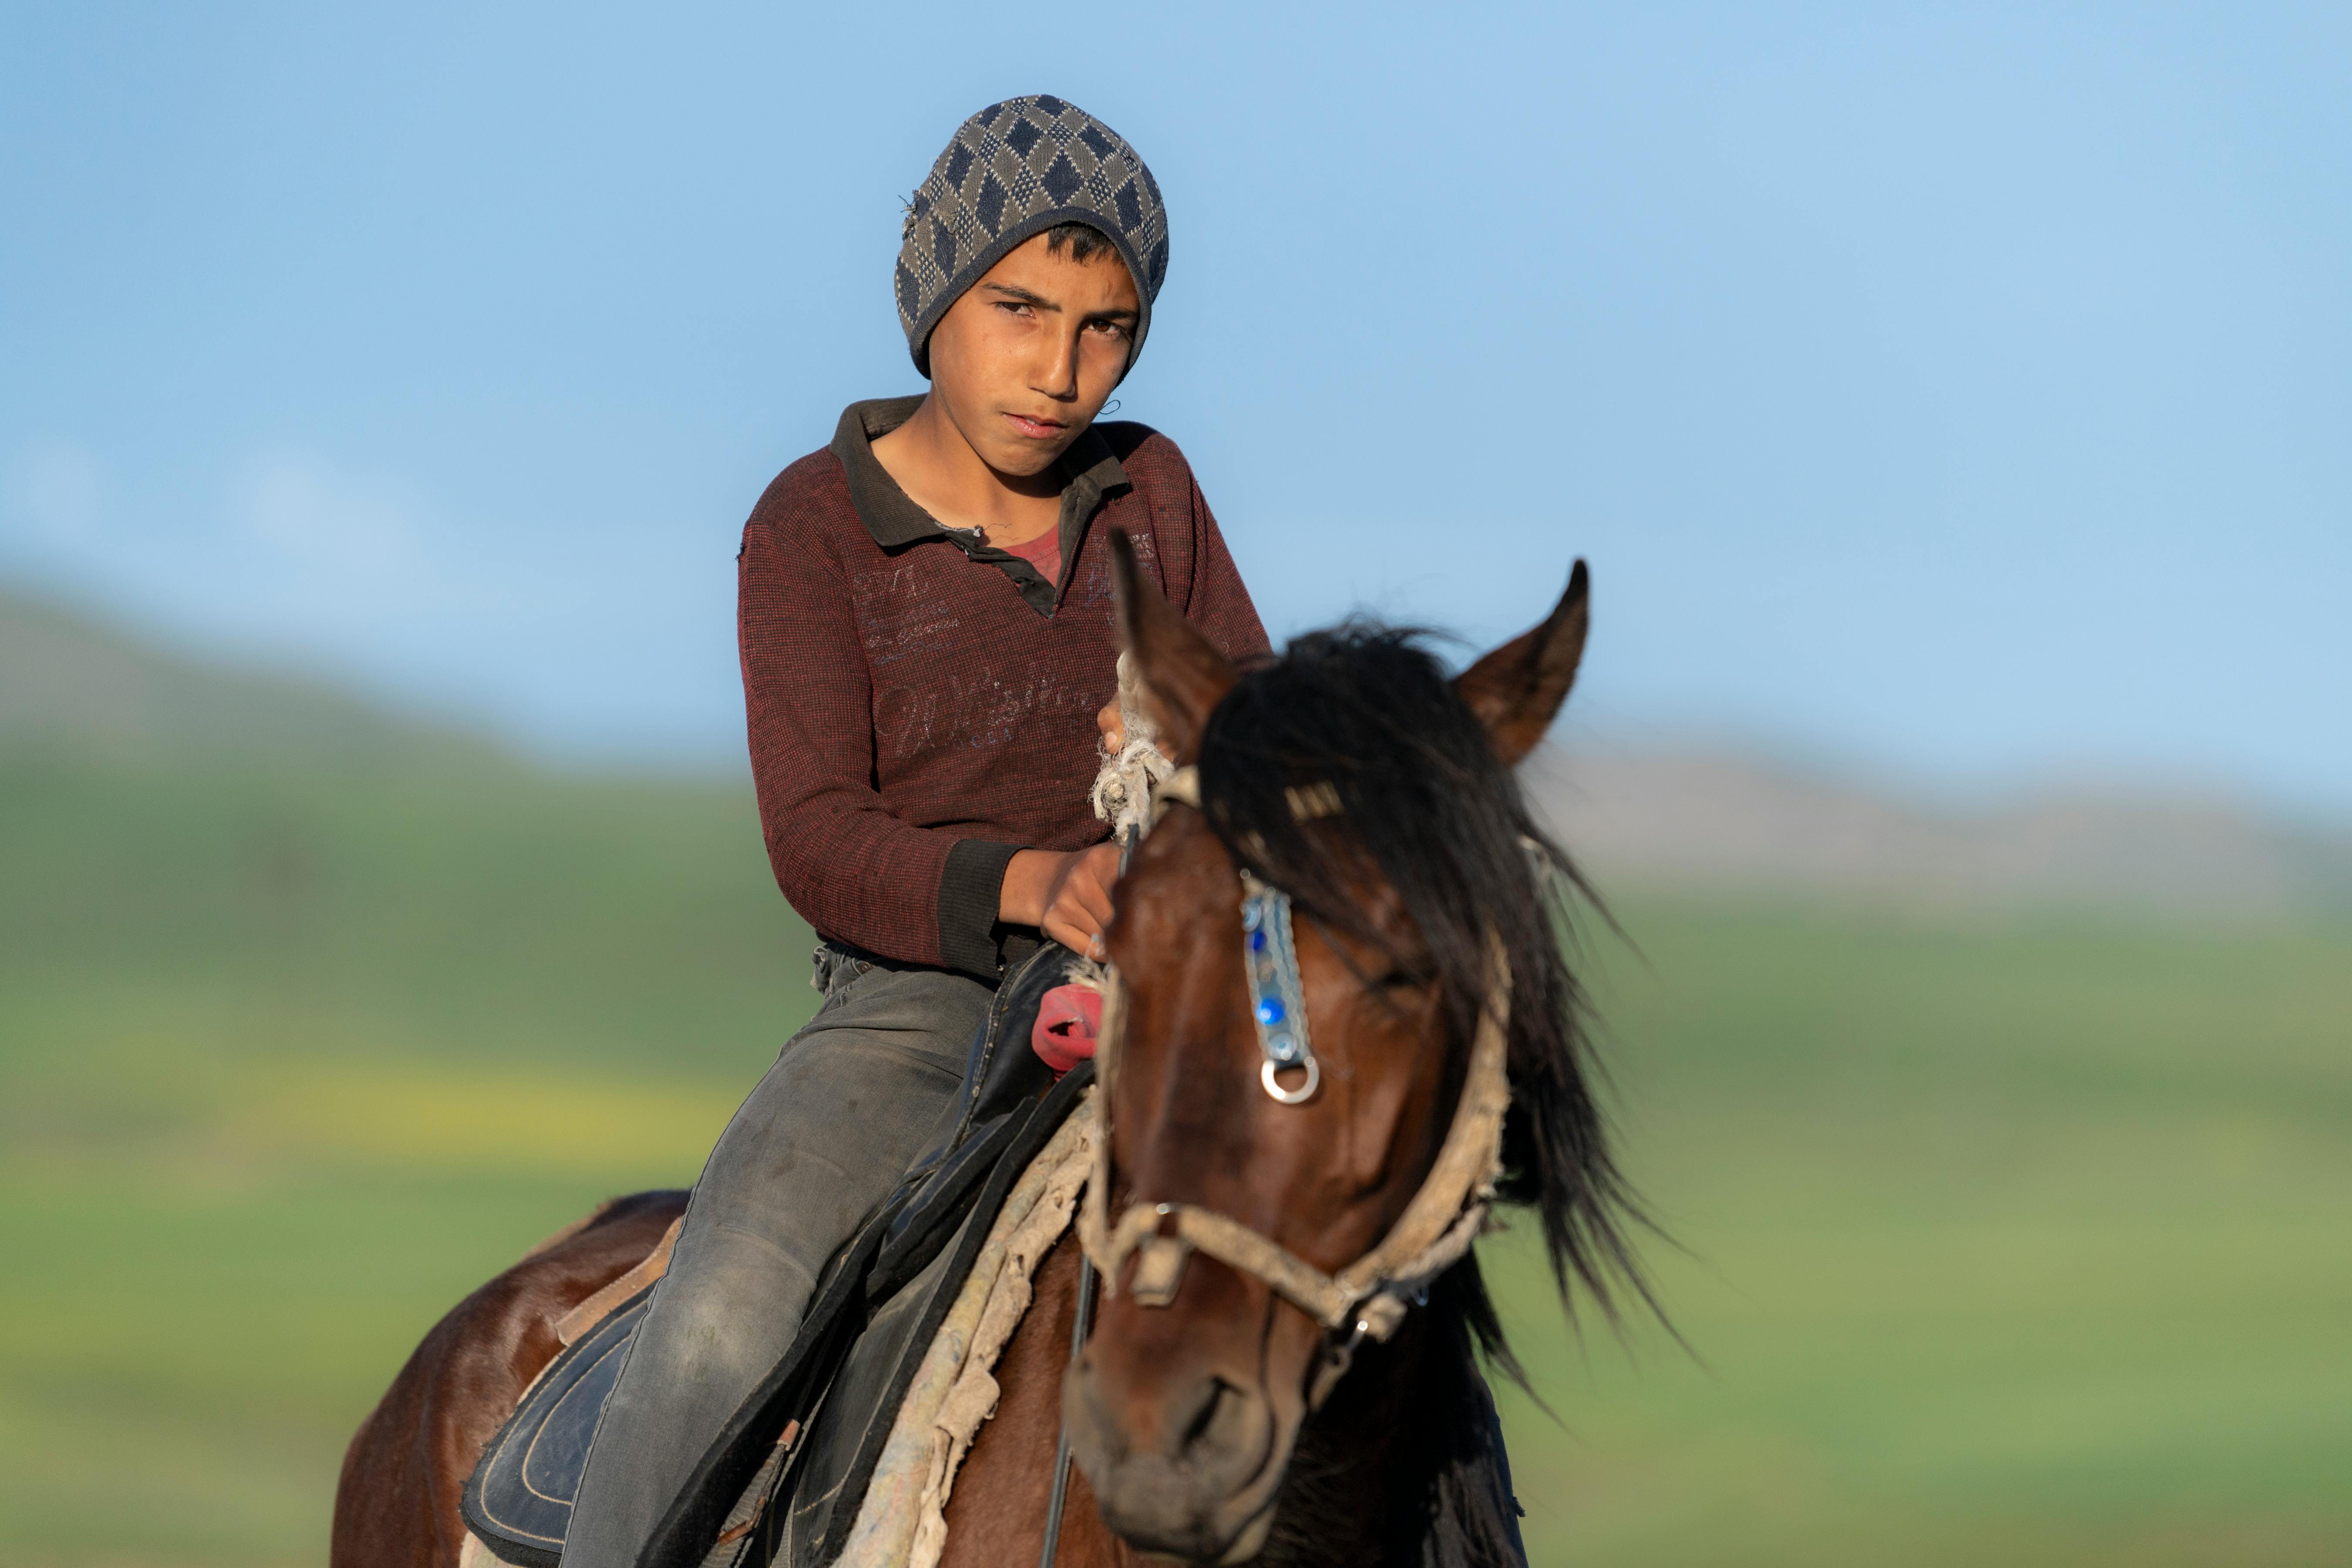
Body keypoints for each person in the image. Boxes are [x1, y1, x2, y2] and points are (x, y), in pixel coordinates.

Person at [560, 95, 1268, 1567]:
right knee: (725, 1318)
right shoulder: (809, 525)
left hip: (1171, 985)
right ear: (933, 300)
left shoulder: (1153, 491)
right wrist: (1027, 879)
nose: (1061, 369)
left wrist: (1196, 747)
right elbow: (815, 838)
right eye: (1019, 308)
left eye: (1107, 328)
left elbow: (1253, 722)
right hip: (914, 1011)